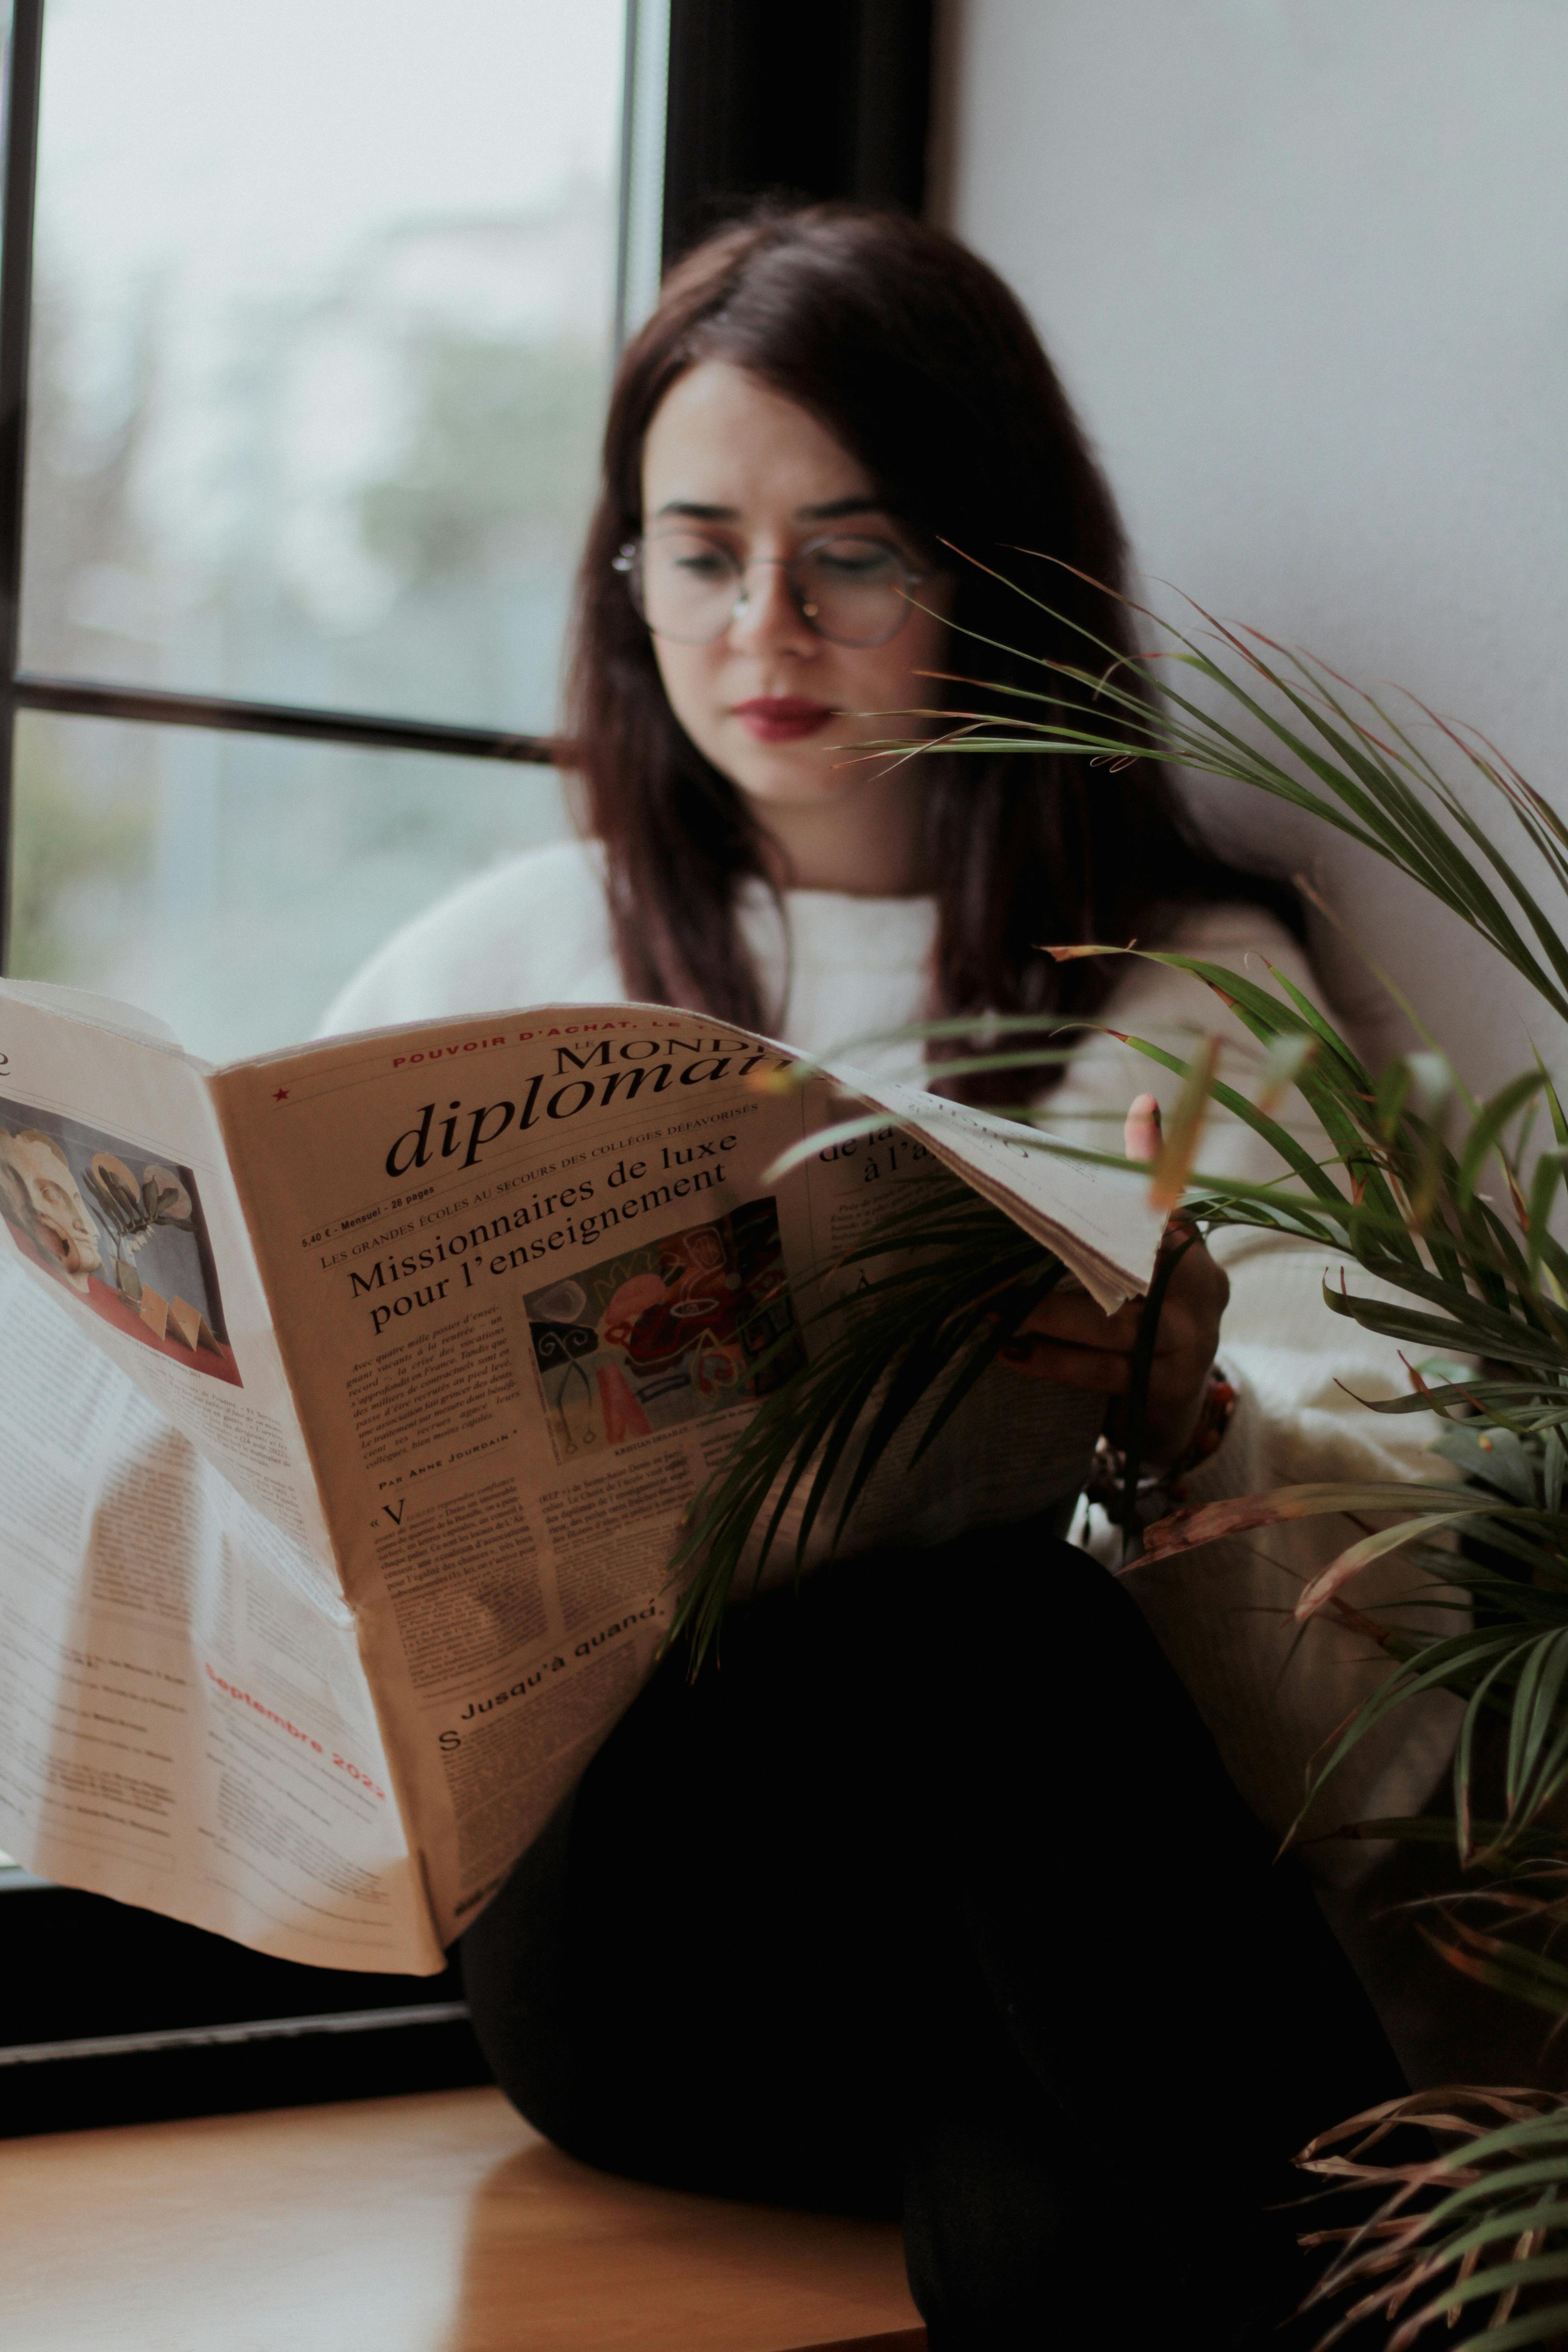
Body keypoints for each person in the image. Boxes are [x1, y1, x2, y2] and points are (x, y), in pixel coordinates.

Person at [323, 206, 1452, 2347]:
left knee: (1060, 2210)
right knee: (982, 1636)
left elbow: (1379, 1605)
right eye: (698, 548)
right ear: (624, 573)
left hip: (1038, 1934)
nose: (767, 624)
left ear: (996, 572)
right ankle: (1424, 2287)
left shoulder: (1192, 998)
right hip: (638, 1936)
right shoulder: (487, 971)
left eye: (854, 553)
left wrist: (1187, 1418)